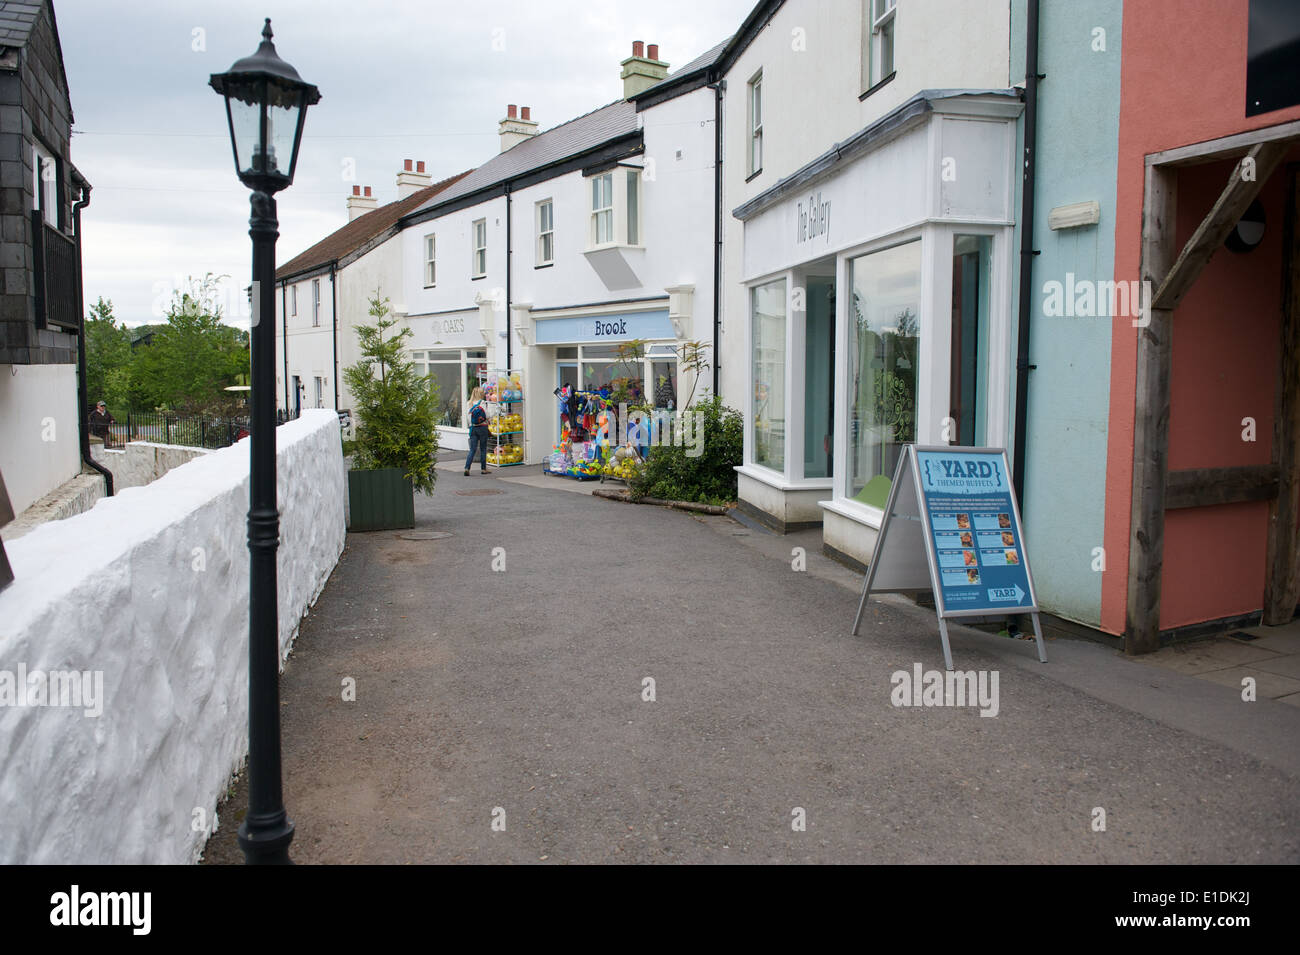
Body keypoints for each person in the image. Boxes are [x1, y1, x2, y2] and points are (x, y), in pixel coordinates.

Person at [464, 386, 491, 475]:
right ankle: (483, 469)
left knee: (472, 449)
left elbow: (468, 418)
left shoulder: (469, 403)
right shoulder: (482, 403)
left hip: (473, 428)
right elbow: (487, 415)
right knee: (483, 448)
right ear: (481, 394)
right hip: (482, 428)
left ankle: (467, 468)